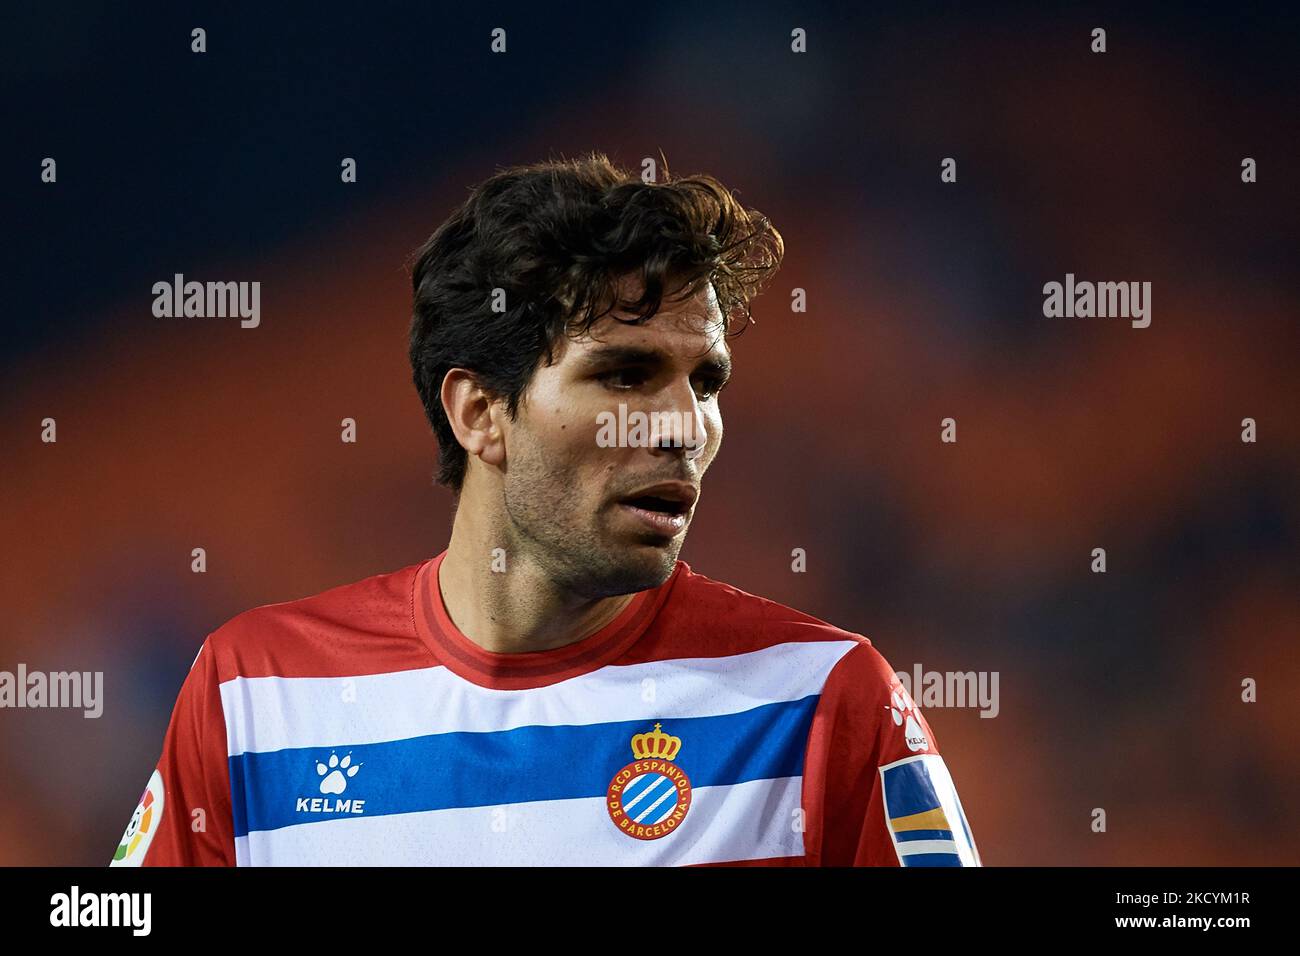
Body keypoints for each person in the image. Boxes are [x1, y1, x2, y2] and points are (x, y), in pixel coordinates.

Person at [110, 152, 981, 866]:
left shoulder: (822, 702)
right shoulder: (254, 697)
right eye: (627, 374)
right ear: (480, 413)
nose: (685, 425)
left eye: (705, 381)